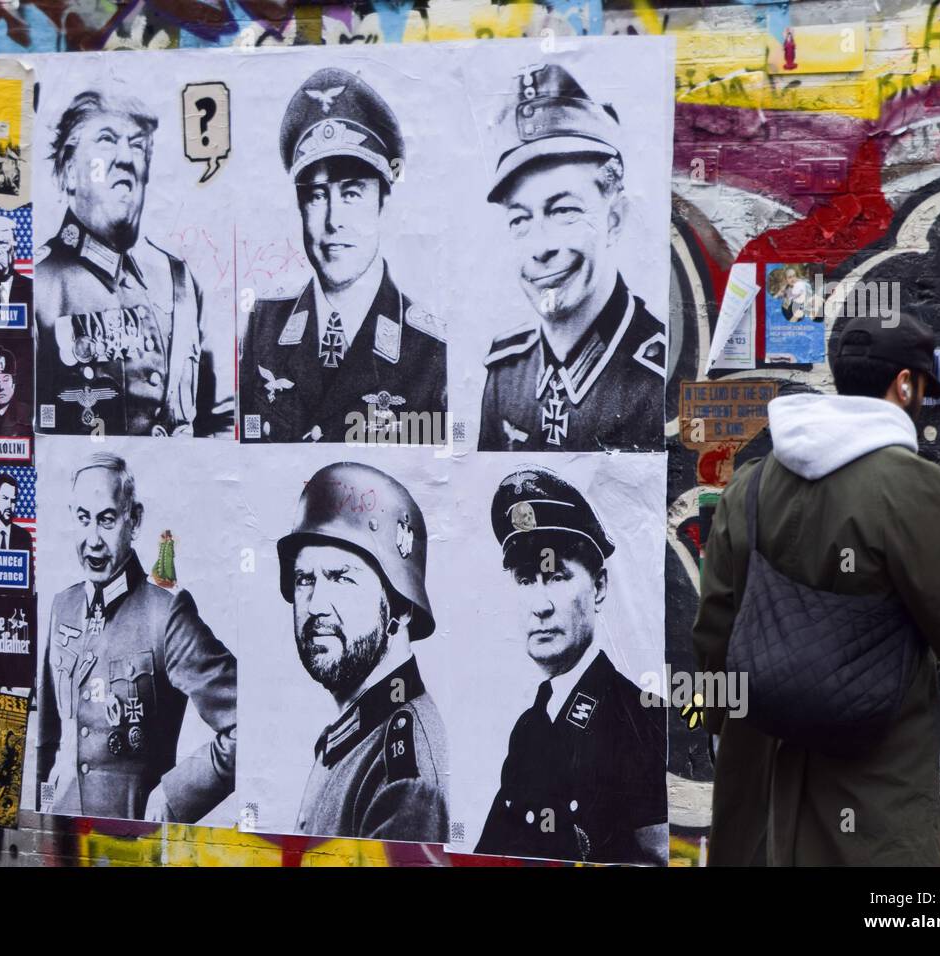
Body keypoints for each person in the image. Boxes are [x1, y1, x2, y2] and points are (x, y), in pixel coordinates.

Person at [693, 312, 940, 866]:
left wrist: (713, 721)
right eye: (920, 386)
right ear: (903, 384)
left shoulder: (751, 482)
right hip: (872, 765)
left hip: (763, 751)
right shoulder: (914, 488)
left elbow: (714, 621)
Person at [239, 68, 446, 444]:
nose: (334, 221)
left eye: (352, 193)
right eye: (317, 195)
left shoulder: (429, 351)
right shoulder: (262, 329)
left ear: (383, 202)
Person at [476, 467, 667, 863]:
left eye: (557, 577)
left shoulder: (640, 719)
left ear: (599, 587)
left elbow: (660, 857)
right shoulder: (529, 728)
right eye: (526, 581)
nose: (541, 606)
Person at [35, 453, 237, 821]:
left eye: (107, 519)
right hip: (59, 840)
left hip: (129, 847)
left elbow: (246, 721)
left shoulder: (166, 614)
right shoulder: (61, 606)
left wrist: (172, 797)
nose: (92, 540)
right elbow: (47, 741)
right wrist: (40, 814)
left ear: (135, 519)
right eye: (83, 519)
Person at [478, 64, 666, 453]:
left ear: (613, 219)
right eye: (520, 219)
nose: (540, 246)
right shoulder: (506, 374)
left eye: (563, 211)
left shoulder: (656, 379)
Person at [35, 90, 231, 437]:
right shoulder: (38, 285)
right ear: (68, 171)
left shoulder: (179, 281)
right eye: (107, 141)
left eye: (138, 146)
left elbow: (218, 422)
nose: (126, 158)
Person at [276, 461, 448, 841]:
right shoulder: (356, 735)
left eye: (341, 578)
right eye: (305, 579)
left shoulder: (401, 770)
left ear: (401, 607)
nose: (316, 604)